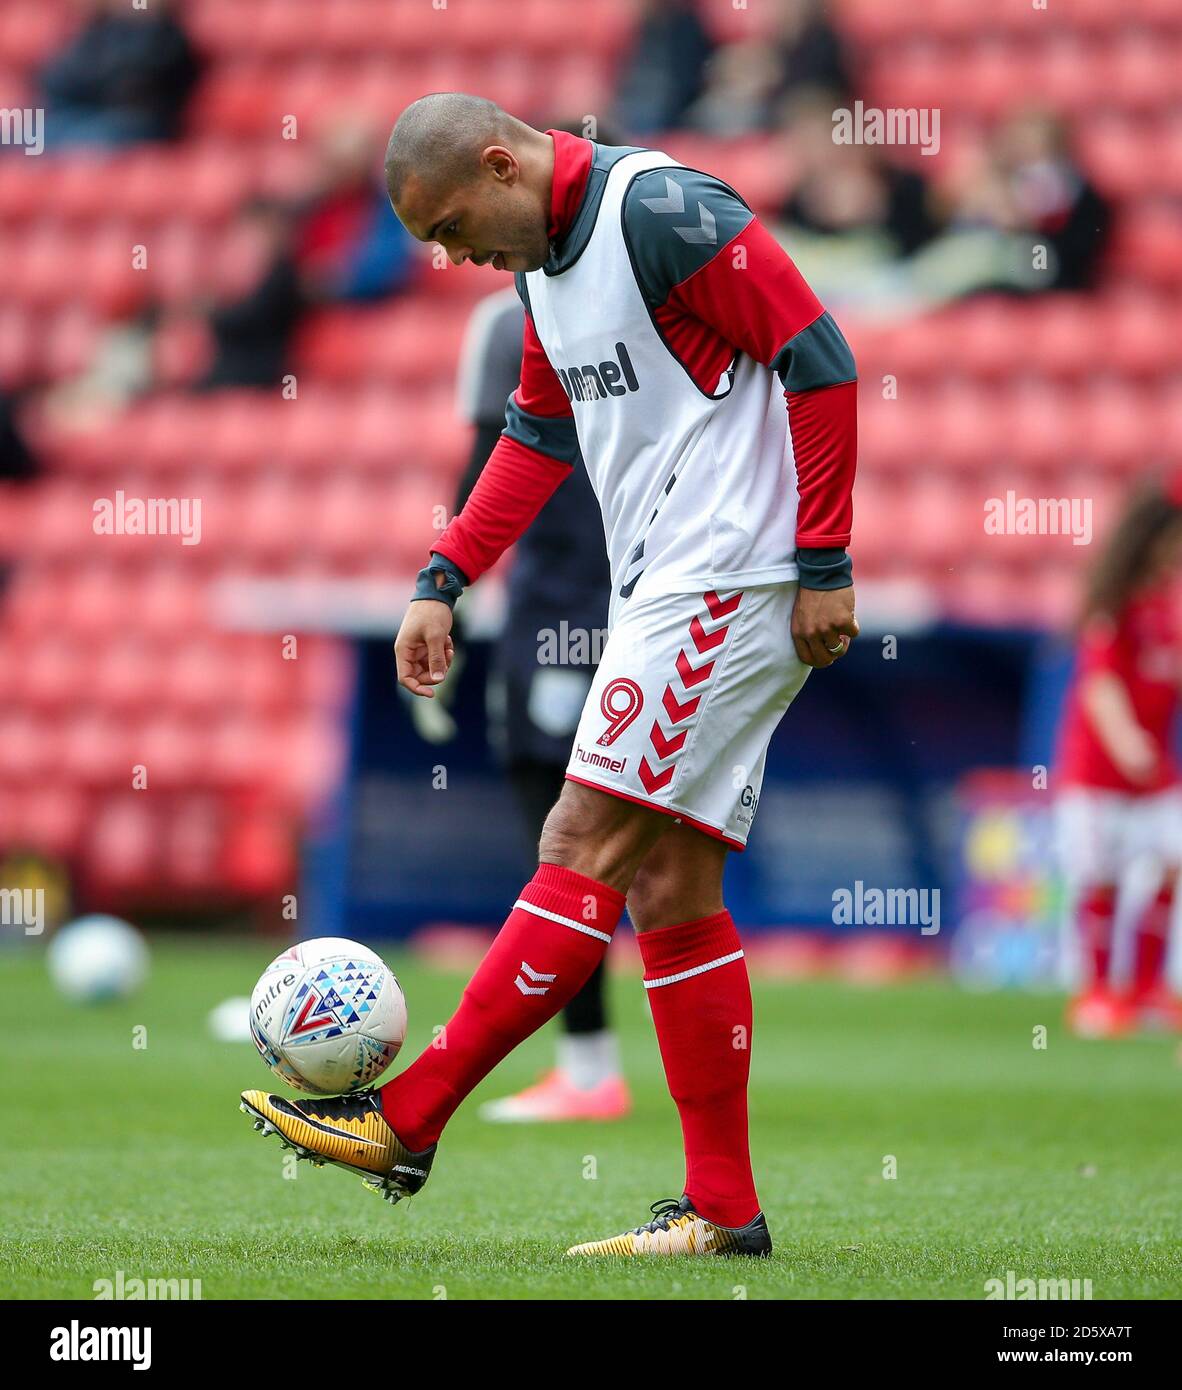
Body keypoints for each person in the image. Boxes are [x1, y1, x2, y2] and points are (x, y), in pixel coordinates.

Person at [241, 93, 859, 1259]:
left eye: (457, 225)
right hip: (668, 584)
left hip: (731, 575)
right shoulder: (538, 266)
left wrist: (824, 559)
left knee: (580, 840)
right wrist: (444, 576)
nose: (457, 253)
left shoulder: (665, 211)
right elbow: (536, 431)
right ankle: (723, 1210)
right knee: (671, 888)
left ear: (500, 162)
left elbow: (821, 361)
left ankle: (406, 1115)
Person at [453, 282, 628, 1124]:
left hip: (565, 613)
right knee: (643, 853)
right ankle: (594, 1067)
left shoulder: (510, 316)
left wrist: (445, 594)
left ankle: (591, 1070)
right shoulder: (662, 292)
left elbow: (492, 465)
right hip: (651, 601)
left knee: (565, 844)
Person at [1055, 480, 1182, 1038]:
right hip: (1099, 774)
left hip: (1153, 773)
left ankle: (1149, 988)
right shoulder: (1114, 602)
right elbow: (1099, 683)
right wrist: (1126, 738)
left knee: (1169, 861)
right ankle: (1100, 992)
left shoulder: (1167, 605)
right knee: (1099, 877)